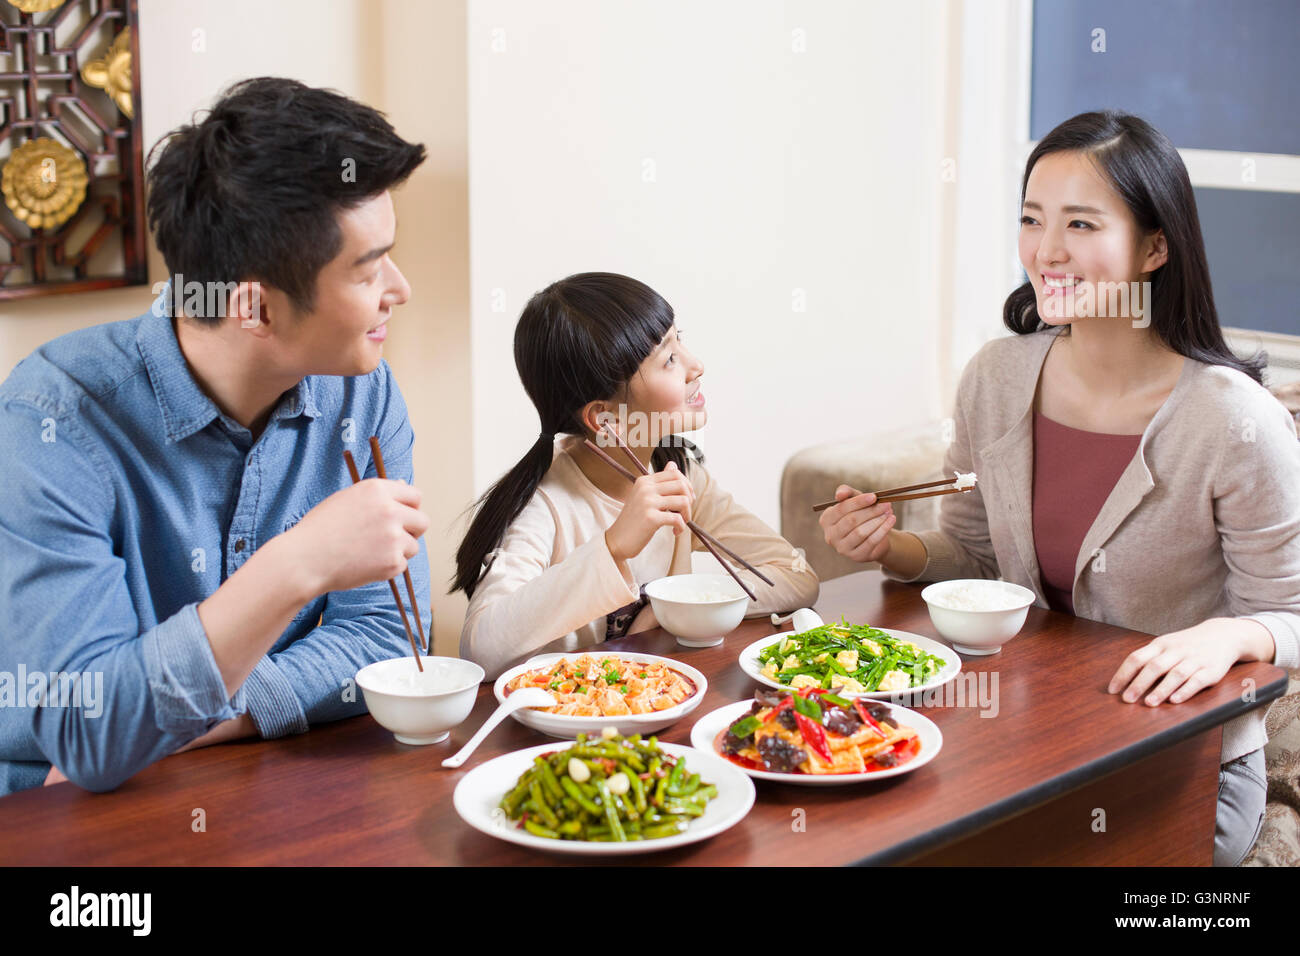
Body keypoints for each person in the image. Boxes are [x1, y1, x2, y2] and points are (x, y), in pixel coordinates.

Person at [818, 111, 1299, 866]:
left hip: (1179, 755)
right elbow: (977, 559)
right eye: (1032, 220)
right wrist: (897, 547)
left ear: (1153, 247)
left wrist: (1230, 633)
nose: (1047, 251)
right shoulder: (996, 377)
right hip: (1027, 725)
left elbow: (1291, 611)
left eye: (1080, 223)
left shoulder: (1235, 422)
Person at [0, 77, 431, 795]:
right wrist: (299, 564)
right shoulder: (50, 424)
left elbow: (391, 644)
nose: (401, 287)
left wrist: (189, 724)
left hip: (267, 783)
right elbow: (87, 733)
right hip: (60, 818)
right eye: (366, 269)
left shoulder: (364, 388)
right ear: (255, 309)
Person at [454, 272, 819, 679]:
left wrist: (671, 609)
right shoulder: (546, 504)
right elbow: (478, 650)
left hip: (660, 702)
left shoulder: (679, 473)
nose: (697, 366)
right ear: (605, 419)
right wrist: (612, 548)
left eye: (680, 339)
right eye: (669, 359)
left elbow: (797, 575)